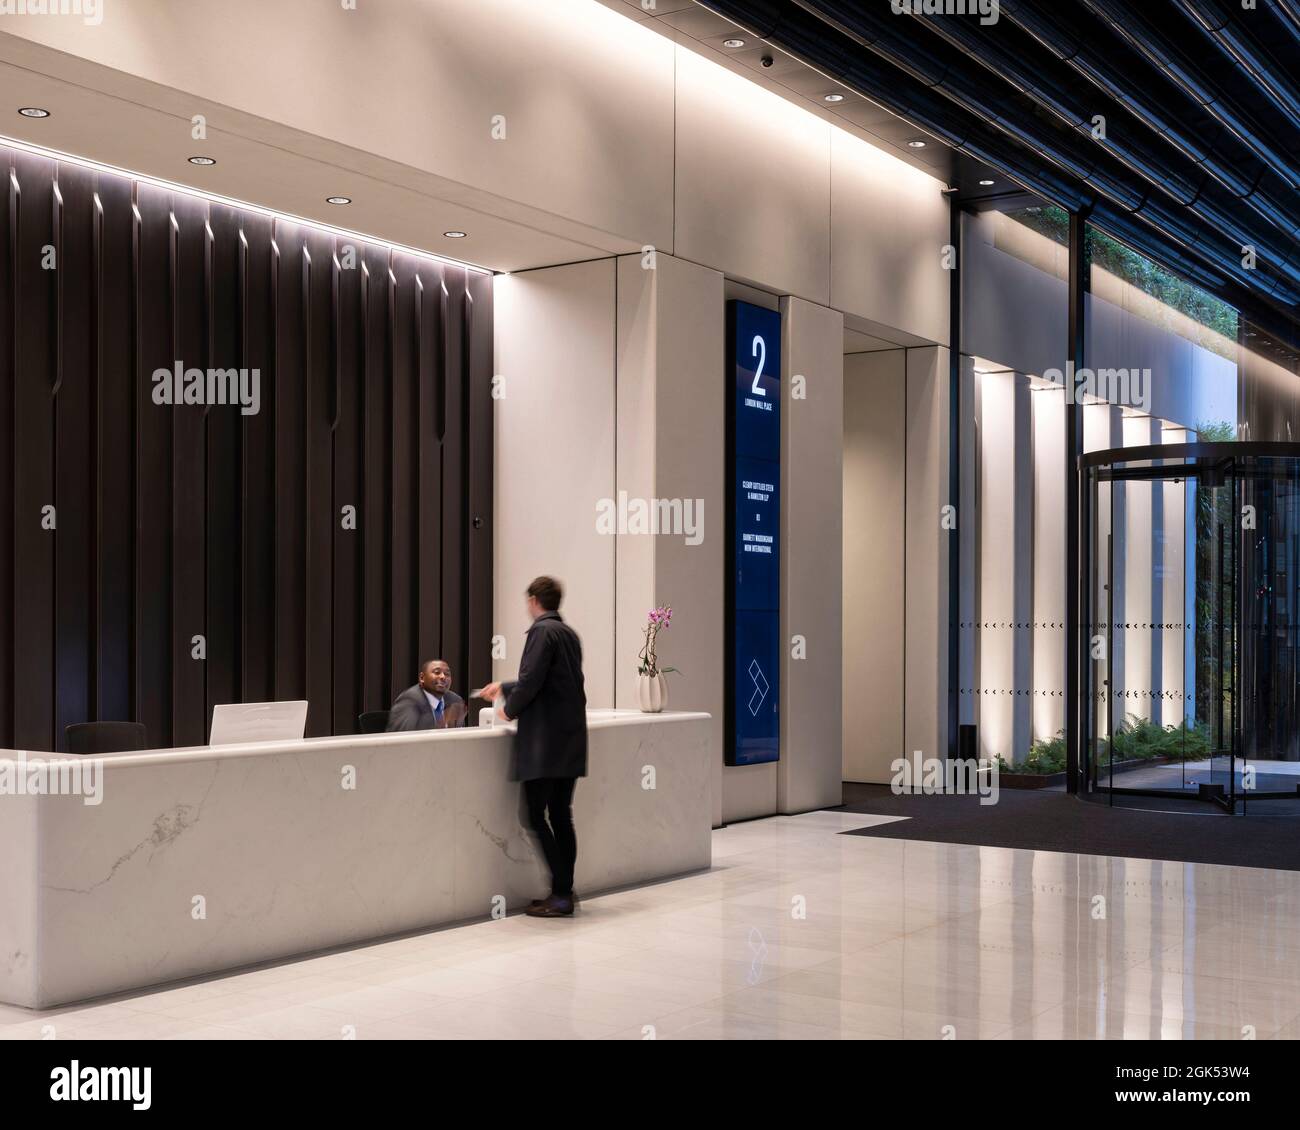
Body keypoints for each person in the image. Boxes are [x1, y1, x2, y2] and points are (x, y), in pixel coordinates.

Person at [478, 576, 587, 918]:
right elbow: (555, 679)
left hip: (545, 743)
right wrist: (505, 685)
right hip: (569, 739)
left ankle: (560, 894)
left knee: (533, 815)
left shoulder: (541, 632)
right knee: (561, 815)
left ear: (534, 600)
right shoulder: (568, 634)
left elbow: (534, 680)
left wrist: (508, 708)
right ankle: (564, 890)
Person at [387, 659, 468, 731]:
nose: (443, 677)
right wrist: (442, 724)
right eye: (437, 672)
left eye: (447, 674)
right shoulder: (408, 701)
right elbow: (405, 739)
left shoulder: (455, 700)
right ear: (422, 678)